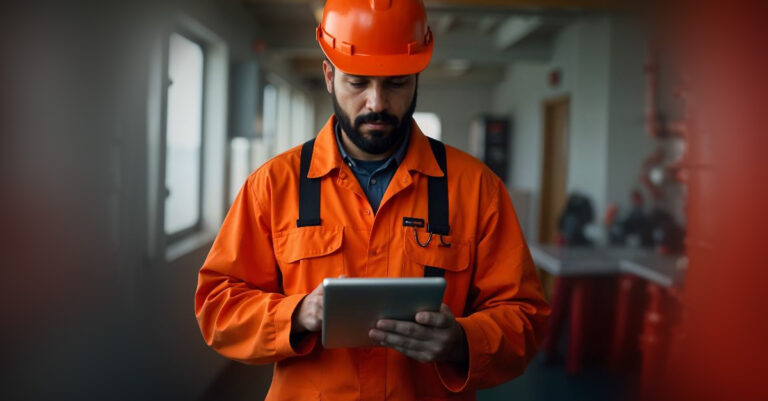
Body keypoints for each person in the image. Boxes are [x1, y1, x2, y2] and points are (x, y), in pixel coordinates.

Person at [195, 1, 549, 400]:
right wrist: (296, 314)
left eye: (396, 83)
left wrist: (462, 341)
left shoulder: (476, 189)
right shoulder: (273, 186)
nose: (377, 103)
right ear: (329, 75)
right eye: (358, 83)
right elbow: (218, 307)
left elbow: (526, 316)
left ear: (417, 77)